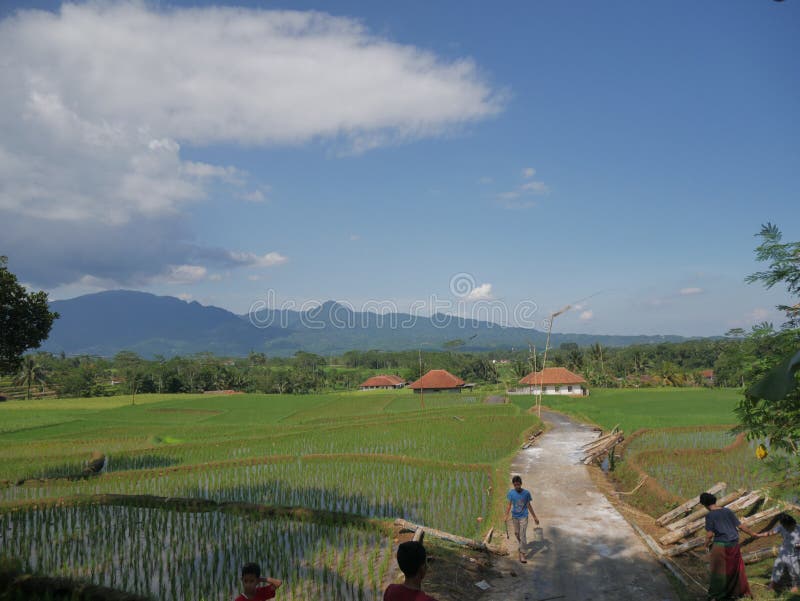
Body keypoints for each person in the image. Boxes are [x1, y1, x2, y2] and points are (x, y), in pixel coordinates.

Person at [700, 491, 759, 600]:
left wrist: (706, 545)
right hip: (734, 544)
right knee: (734, 568)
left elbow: (710, 534)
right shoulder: (727, 511)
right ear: (714, 501)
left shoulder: (710, 515)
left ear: (704, 504)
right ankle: (735, 592)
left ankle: (717, 595)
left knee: (719, 570)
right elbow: (741, 526)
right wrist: (753, 534)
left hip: (721, 545)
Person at [754, 512, 800, 593]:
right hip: (784, 550)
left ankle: (795, 585)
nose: (788, 528)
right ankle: (772, 584)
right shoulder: (781, 527)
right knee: (777, 565)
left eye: (789, 526)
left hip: (795, 552)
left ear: (793, 523)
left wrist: (798, 545)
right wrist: (758, 535)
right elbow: (770, 533)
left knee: (794, 569)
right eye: (786, 526)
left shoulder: (798, 528)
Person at [504, 475, 540, 563]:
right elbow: (509, 505)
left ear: (521, 484)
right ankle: (522, 544)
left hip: (524, 516)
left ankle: (522, 553)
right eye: (515, 485)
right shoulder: (511, 493)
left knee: (523, 534)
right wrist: (506, 515)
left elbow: (529, 505)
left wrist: (535, 517)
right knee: (517, 533)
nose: (517, 487)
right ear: (513, 485)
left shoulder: (526, 493)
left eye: (518, 485)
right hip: (515, 516)